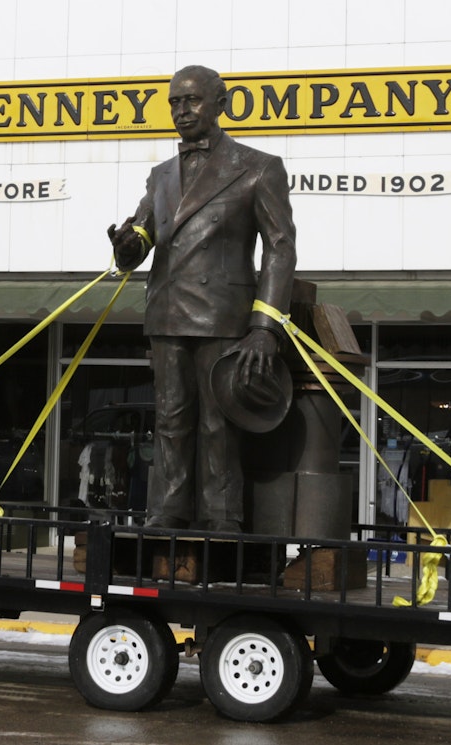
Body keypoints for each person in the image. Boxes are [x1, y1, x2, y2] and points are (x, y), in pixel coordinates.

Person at [107, 65, 296, 531]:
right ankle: (167, 511)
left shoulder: (258, 167)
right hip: (168, 311)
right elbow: (142, 236)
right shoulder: (160, 176)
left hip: (223, 315)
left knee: (219, 422)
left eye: (191, 100)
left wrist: (265, 327)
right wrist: (127, 247)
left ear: (220, 104)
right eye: (174, 102)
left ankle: (222, 516)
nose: (181, 110)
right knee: (170, 419)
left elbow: (280, 248)